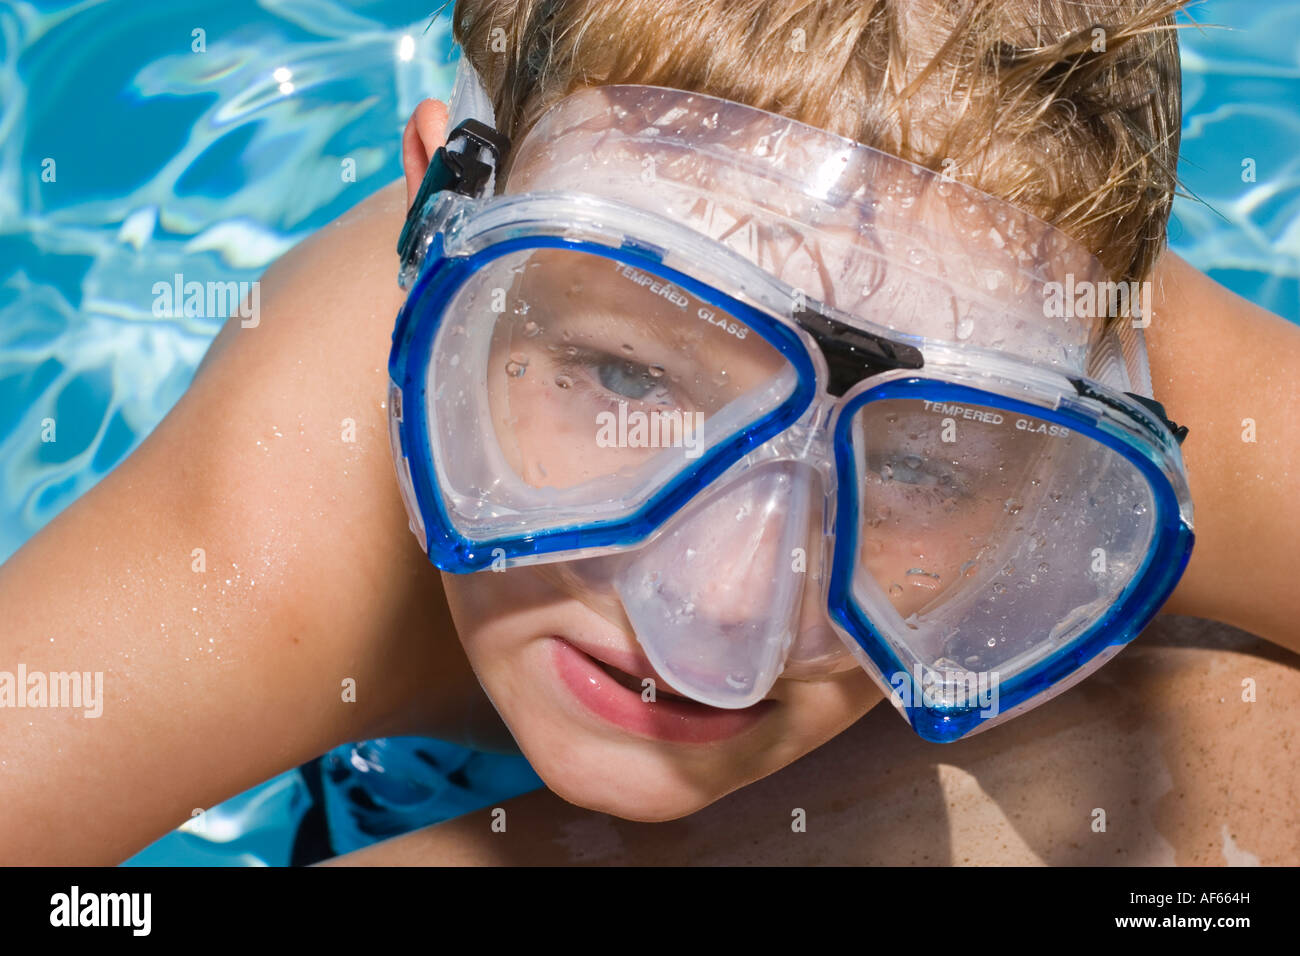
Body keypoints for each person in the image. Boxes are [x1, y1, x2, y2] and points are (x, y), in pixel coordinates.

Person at [1, 0, 1296, 866]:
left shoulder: (1084, 345)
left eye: (915, 462)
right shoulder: (272, 532)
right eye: (624, 374)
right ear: (426, 224)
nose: (721, 625)